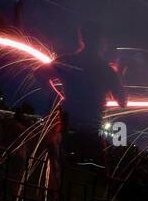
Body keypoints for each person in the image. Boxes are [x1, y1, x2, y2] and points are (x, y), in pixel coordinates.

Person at [49, 21, 128, 166]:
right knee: (94, 182)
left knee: (60, 179)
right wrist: (119, 73)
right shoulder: (106, 71)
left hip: (66, 131)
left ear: (82, 38)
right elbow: (123, 102)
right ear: (102, 42)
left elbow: (39, 74)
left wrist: (59, 98)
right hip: (91, 135)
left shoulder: (68, 60)